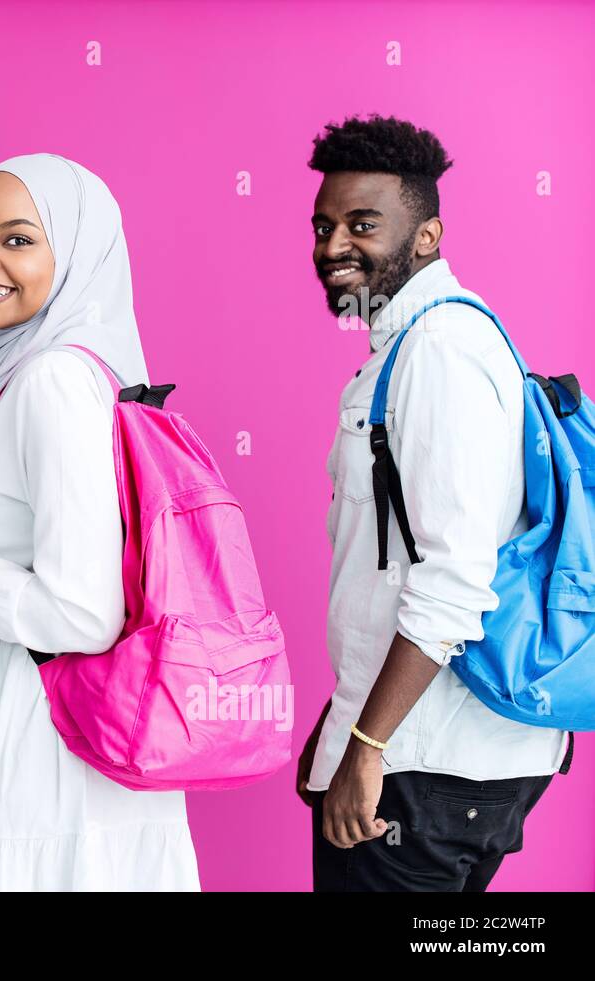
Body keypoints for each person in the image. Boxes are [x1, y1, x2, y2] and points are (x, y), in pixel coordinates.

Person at [0, 153, 201, 891]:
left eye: (18, 239)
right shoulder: (35, 369)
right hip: (44, 728)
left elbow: (83, 612)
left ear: (77, 253)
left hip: (34, 738)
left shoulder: (54, 379)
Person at [297, 114, 572, 891]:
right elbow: (385, 569)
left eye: (362, 223)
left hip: (421, 765)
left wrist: (364, 744)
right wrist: (341, 728)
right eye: (323, 224)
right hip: (432, 756)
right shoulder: (417, 345)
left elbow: (453, 577)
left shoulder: (440, 352)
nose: (332, 244)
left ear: (426, 235)